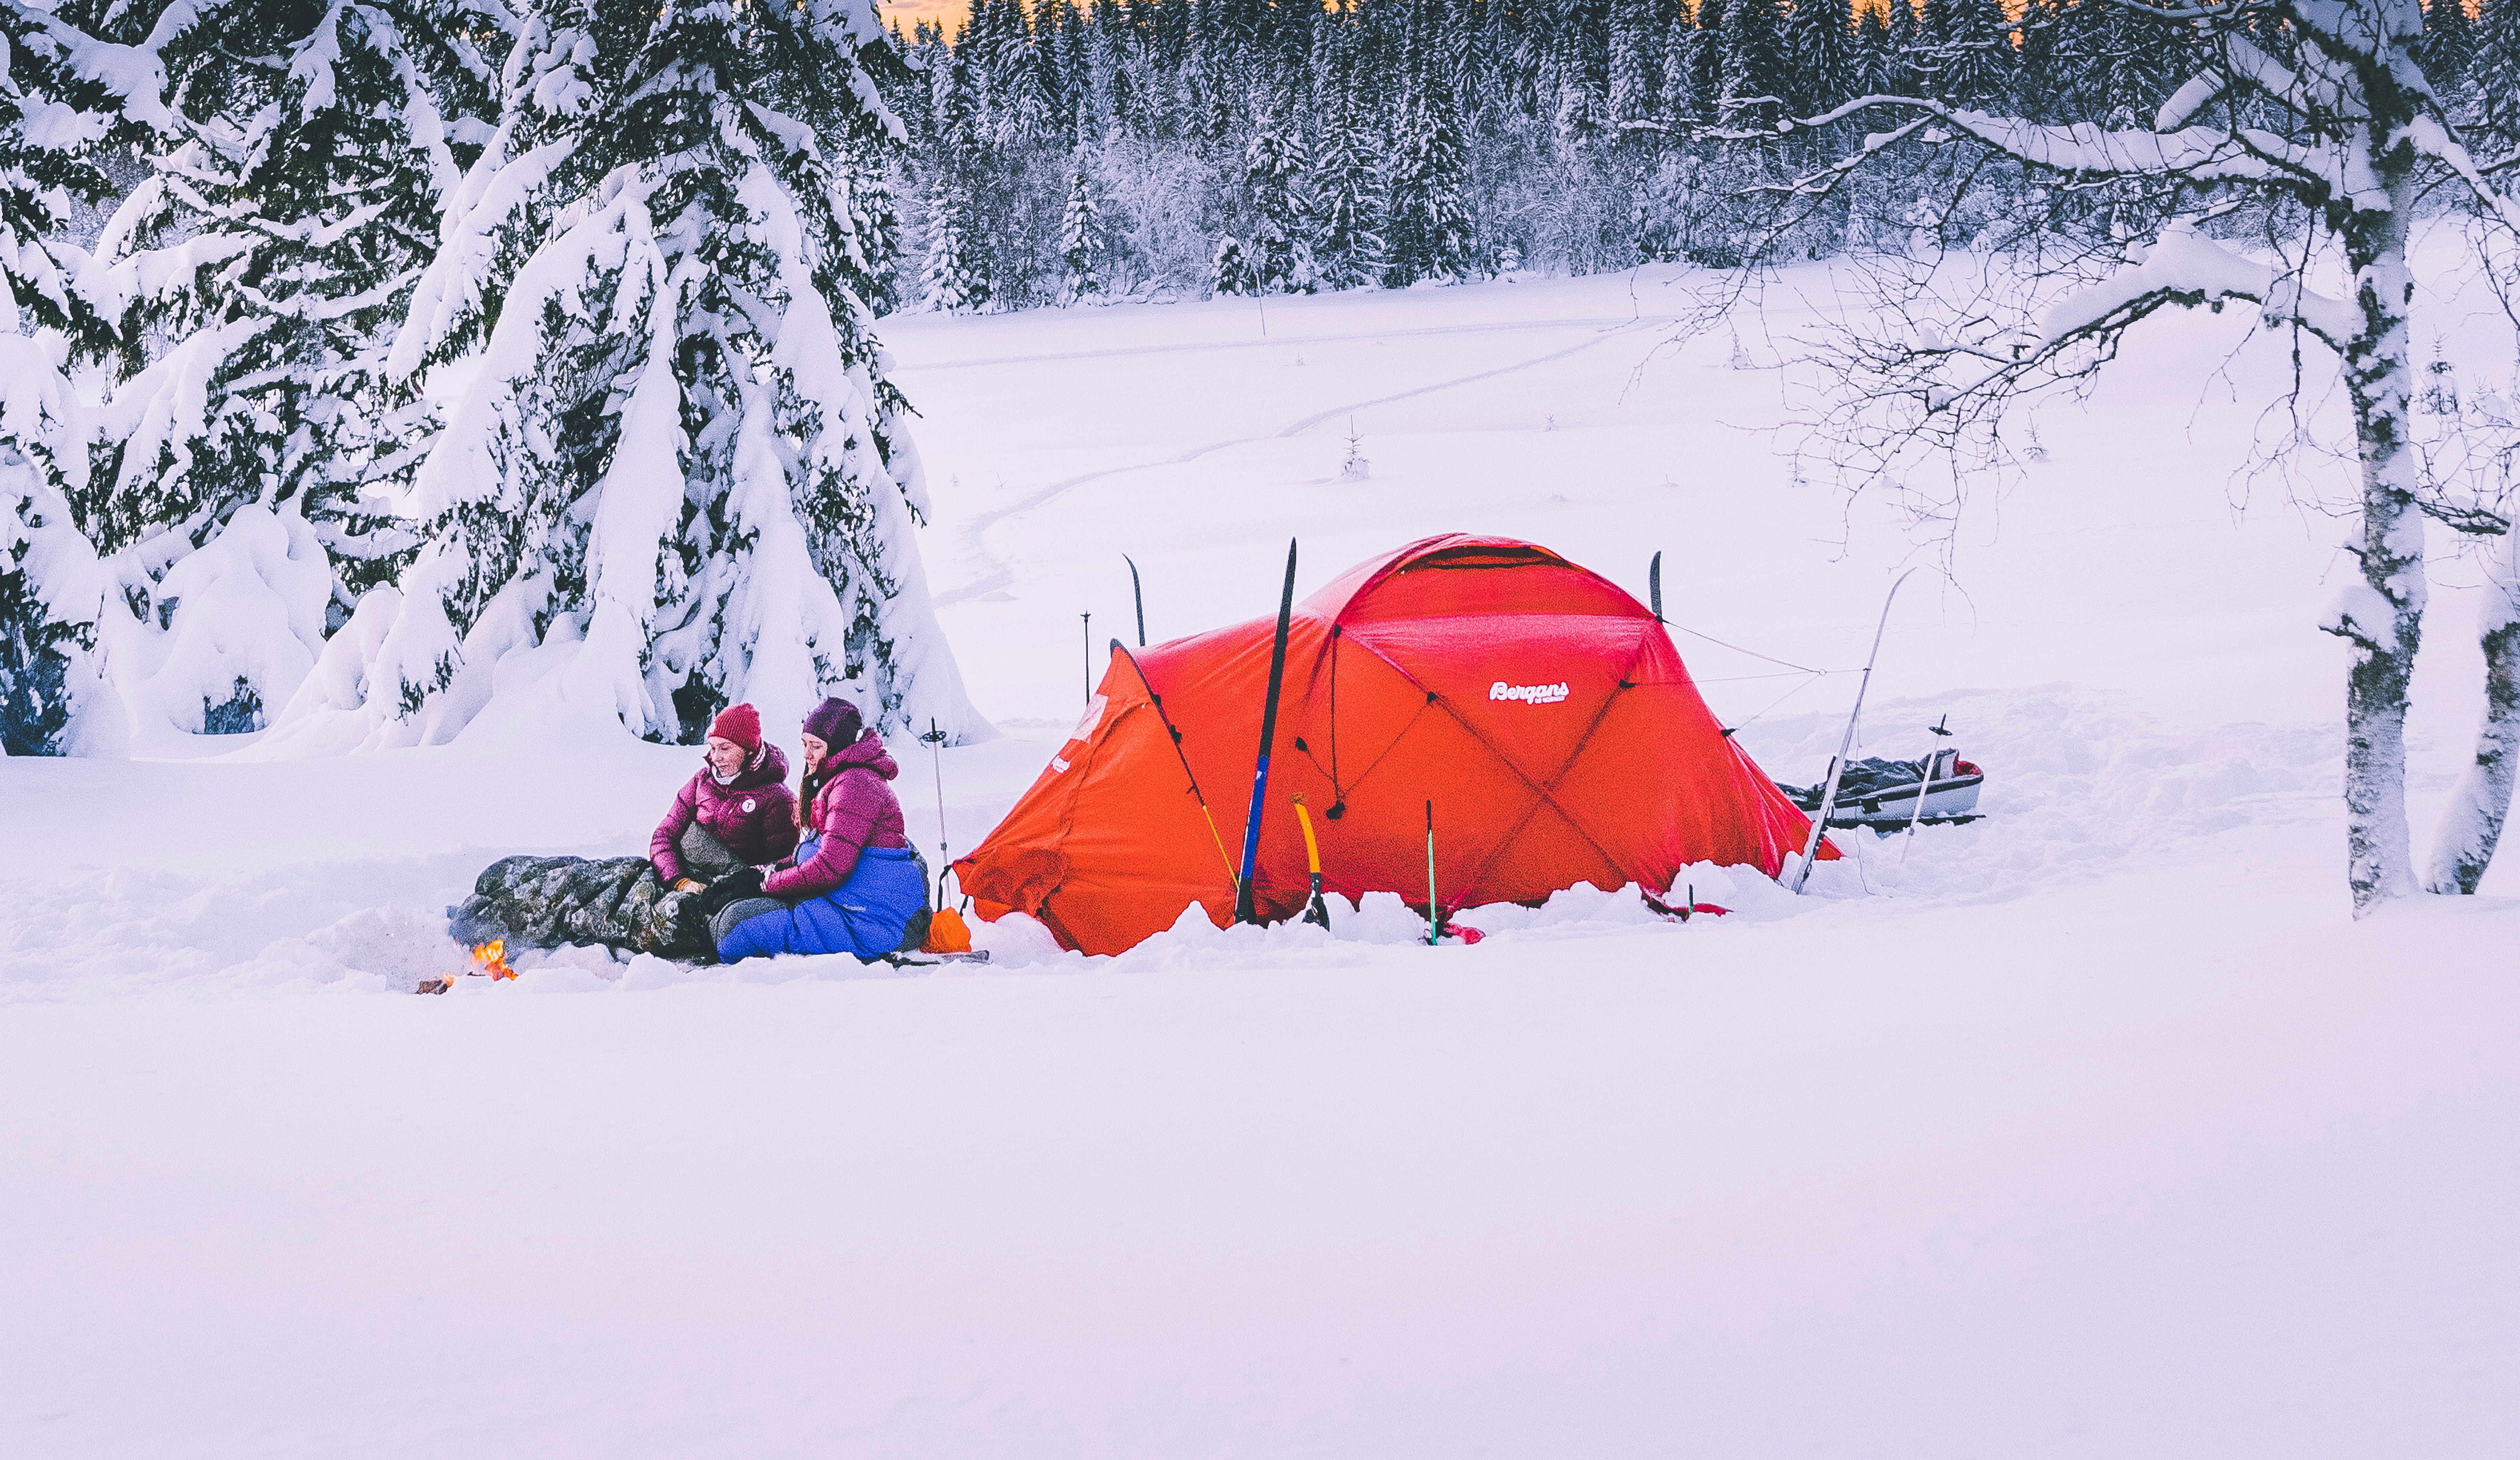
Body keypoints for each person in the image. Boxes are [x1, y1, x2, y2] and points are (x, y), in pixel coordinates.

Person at [708, 697, 929, 962]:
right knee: (734, 914)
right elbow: (821, 852)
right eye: (804, 744)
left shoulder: (855, 786)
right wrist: (760, 873)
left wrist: (765, 885)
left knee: (733, 928)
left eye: (816, 746)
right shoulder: (842, 781)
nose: (807, 754)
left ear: (837, 747)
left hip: (869, 921)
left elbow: (830, 867)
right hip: (848, 905)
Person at [649, 704, 799, 894]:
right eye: (713, 748)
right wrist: (680, 882)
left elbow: (779, 869)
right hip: (682, 877)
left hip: (731, 892)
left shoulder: (778, 800)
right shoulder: (701, 781)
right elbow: (665, 835)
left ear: (749, 750)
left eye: (725, 748)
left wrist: (729, 887)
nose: (716, 758)